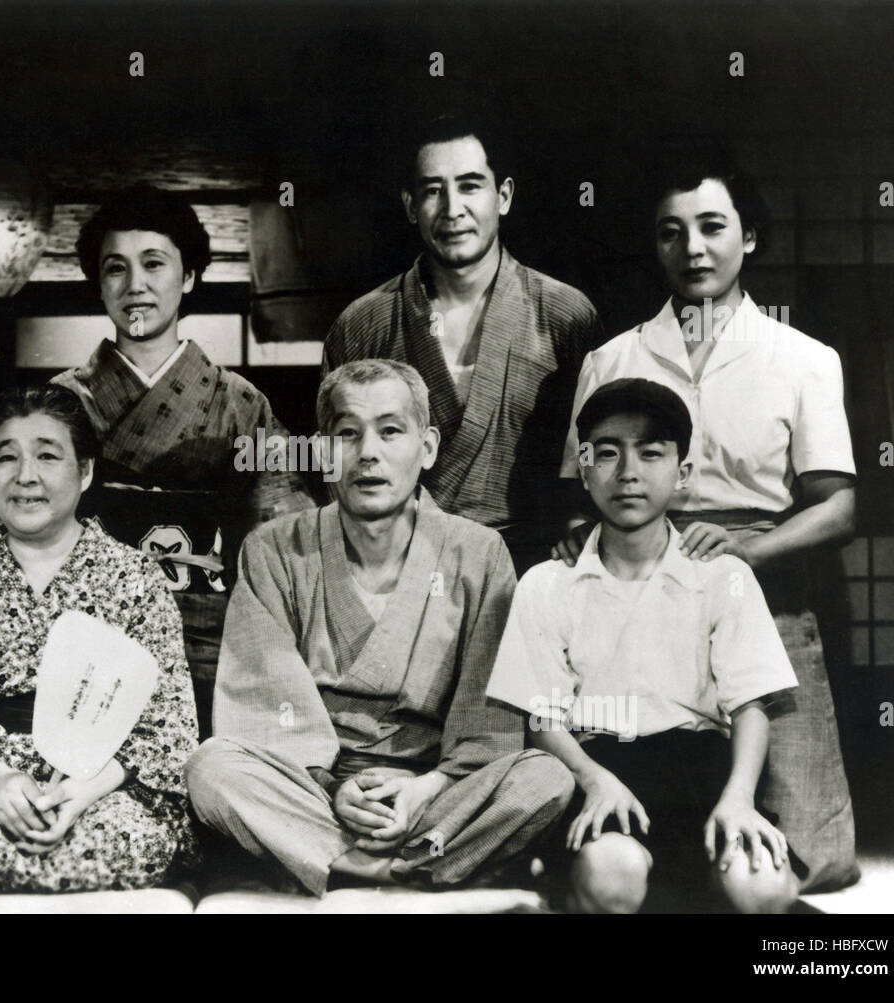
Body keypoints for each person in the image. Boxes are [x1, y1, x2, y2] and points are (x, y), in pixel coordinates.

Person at [554, 157, 858, 892]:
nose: (693, 247)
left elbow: (839, 506)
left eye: (713, 226)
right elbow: (581, 489)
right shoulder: (613, 358)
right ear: (656, 247)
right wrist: (579, 537)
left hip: (764, 590)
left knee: (811, 858)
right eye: (672, 232)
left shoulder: (803, 359)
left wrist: (750, 552)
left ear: (749, 237)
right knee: (628, 835)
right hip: (637, 587)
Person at [184, 360, 573, 897]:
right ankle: (401, 872)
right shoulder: (274, 549)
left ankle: (347, 868)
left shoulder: (478, 552)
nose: (368, 453)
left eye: (391, 431)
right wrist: (332, 788)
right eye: (348, 434)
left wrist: (427, 786)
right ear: (323, 451)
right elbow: (261, 704)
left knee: (544, 777)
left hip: (435, 792)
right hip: (314, 792)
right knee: (212, 767)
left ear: (428, 447)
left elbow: (488, 723)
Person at [0, 186, 312, 740]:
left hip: (210, 644)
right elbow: (2, 533)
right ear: (97, 284)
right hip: (81, 644)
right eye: (115, 269)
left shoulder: (241, 402)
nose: (136, 287)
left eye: (154, 264)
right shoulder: (57, 403)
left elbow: (281, 536)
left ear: (189, 276)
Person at [491, 379, 800, 913]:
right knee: (616, 876)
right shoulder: (546, 582)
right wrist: (594, 779)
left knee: (764, 889)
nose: (628, 472)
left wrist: (740, 797)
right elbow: (542, 718)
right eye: (606, 454)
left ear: (682, 474)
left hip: (702, 768)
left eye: (651, 453)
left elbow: (750, 704)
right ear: (583, 469)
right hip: (596, 766)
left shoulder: (723, 574)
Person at [0, 385, 199, 893]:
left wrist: (83, 791)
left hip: (100, 789)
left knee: (128, 842)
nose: (25, 476)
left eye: (47, 455)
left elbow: (171, 716)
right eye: (7, 457)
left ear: (85, 472)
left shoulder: (133, 577)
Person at [322, 113, 602, 573]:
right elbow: (335, 465)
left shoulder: (565, 315)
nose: (452, 208)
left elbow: (598, 454)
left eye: (470, 186)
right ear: (411, 205)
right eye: (433, 191)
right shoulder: (362, 324)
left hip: (537, 566)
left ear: (503, 196)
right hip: (398, 564)